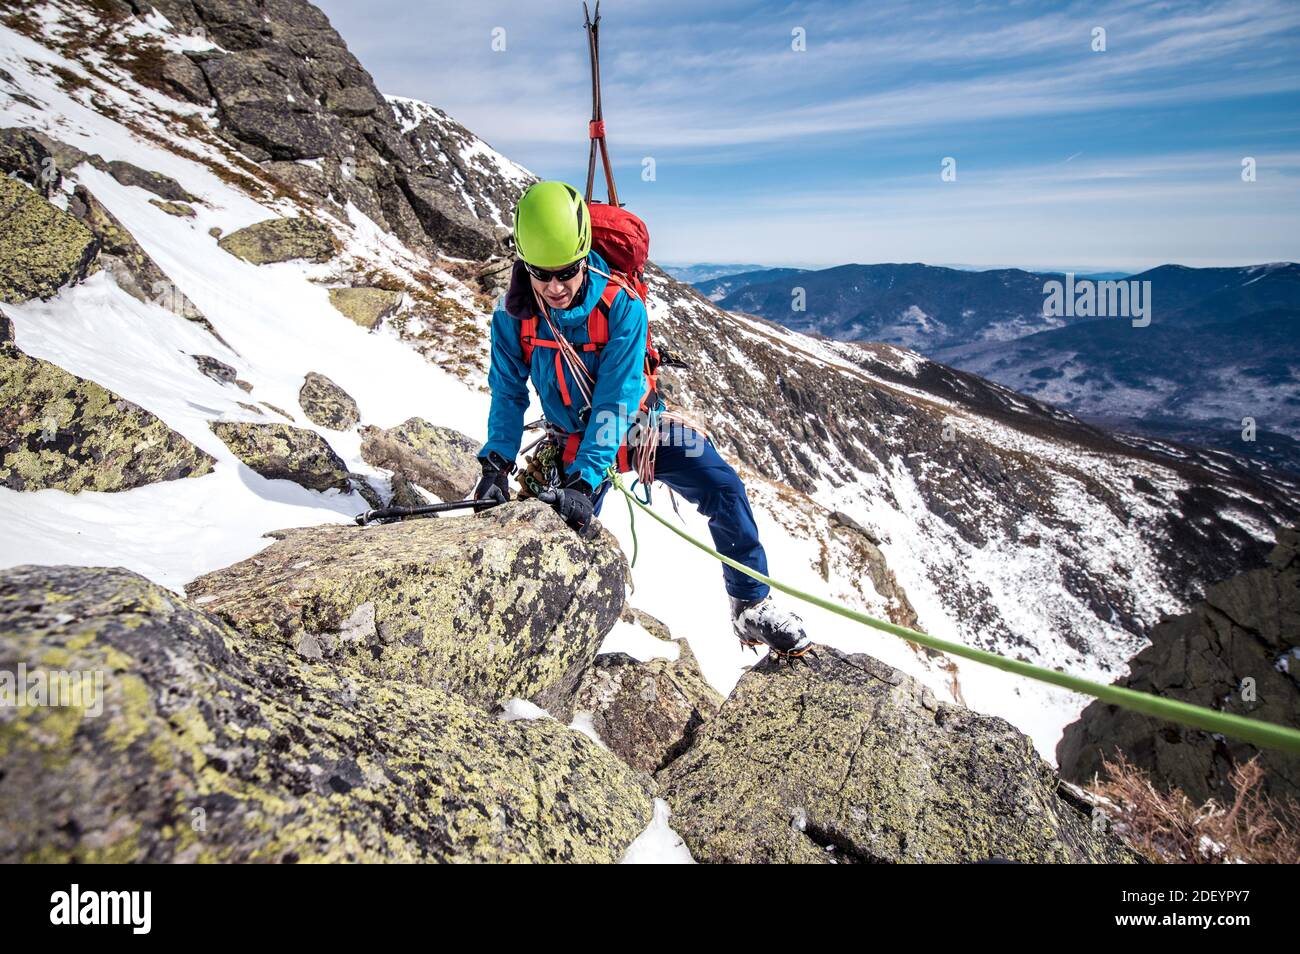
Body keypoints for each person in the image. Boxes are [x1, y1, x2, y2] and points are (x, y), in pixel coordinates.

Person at [474, 180, 810, 657]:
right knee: (556, 544)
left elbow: (614, 399)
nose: (555, 287)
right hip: (568, 439)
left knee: (722, 486)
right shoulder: (513, 317)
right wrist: (495, 466)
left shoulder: (620, 307)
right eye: (541, 273)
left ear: (584, 253)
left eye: (567, 271)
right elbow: (507, 393)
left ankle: (751, 603)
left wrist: (585, 482)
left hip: (640, 429)